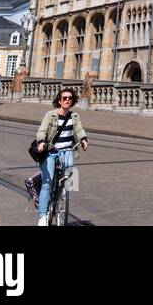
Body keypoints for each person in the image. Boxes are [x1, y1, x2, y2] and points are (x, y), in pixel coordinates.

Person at [34, 88, 89, 225]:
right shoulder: (50, 115)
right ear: (59, 100)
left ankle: (63, 193)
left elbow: (79, 129)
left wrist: (83, 139)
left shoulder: (74, 116)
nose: (67, 100)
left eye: (69, 98)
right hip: (52, 151)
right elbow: (42, 131)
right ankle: (42, 216)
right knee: (47, 183)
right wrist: (41, 142)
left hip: (68, 151)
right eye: (64, 98)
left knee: (71, 178)